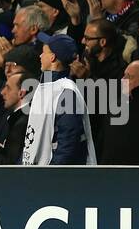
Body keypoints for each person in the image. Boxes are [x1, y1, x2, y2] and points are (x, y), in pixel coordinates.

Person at [22, 33, 96, 165]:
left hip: (53, 176)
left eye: (43, 52)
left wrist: (53, 174)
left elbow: (68, 141)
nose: (40, 55)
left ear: (52, 57)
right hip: (36, 171)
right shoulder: (44, 86)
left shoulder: (66, 91)